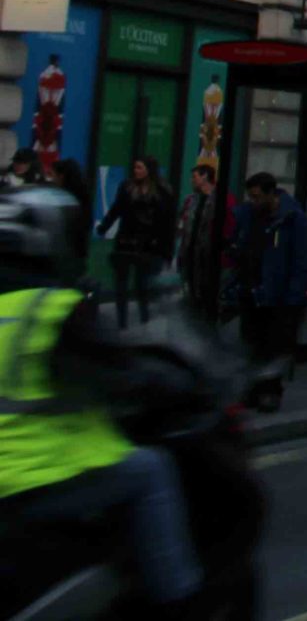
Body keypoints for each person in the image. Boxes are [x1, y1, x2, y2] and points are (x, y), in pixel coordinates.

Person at [0, 185, 208, 614]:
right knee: (152, 470)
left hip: (13, 475)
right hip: (31, 477)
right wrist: (168, 382)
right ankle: (180, 603)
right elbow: (118, 371)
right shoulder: (52, 308)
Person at [235, 170, 307, 411]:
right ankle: (252, 391)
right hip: (252, 290)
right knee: (252, 343)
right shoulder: (250, 215)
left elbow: (302, 261)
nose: (253, 201)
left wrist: (294, 297)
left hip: (278, 295)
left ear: (271, 194)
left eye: (257, 196)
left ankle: (270, 392)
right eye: (250, 197)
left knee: (274, 346)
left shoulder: (292, 218)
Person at [94, 157, 176, 328]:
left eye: (140, 168)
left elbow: (167, 221)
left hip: (147, 243)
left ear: (149, 170)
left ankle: (144, 317)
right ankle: (122, 321)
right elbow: (116, 208)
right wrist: (104, 226)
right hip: (126, 239)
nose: (136, 171)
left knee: (141, 283)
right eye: (135, 167)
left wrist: (166, 249)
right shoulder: (127, 187)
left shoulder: (162, 190)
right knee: (121, 282)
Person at [173, 162, 230, 325]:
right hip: (191, 252)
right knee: (192, 289)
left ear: (205, 177)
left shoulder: (221, 200)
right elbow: (183, 223)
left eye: (195, 177)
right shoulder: (191, 200)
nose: (192, 180)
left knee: (208, 289)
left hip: (209, 255)